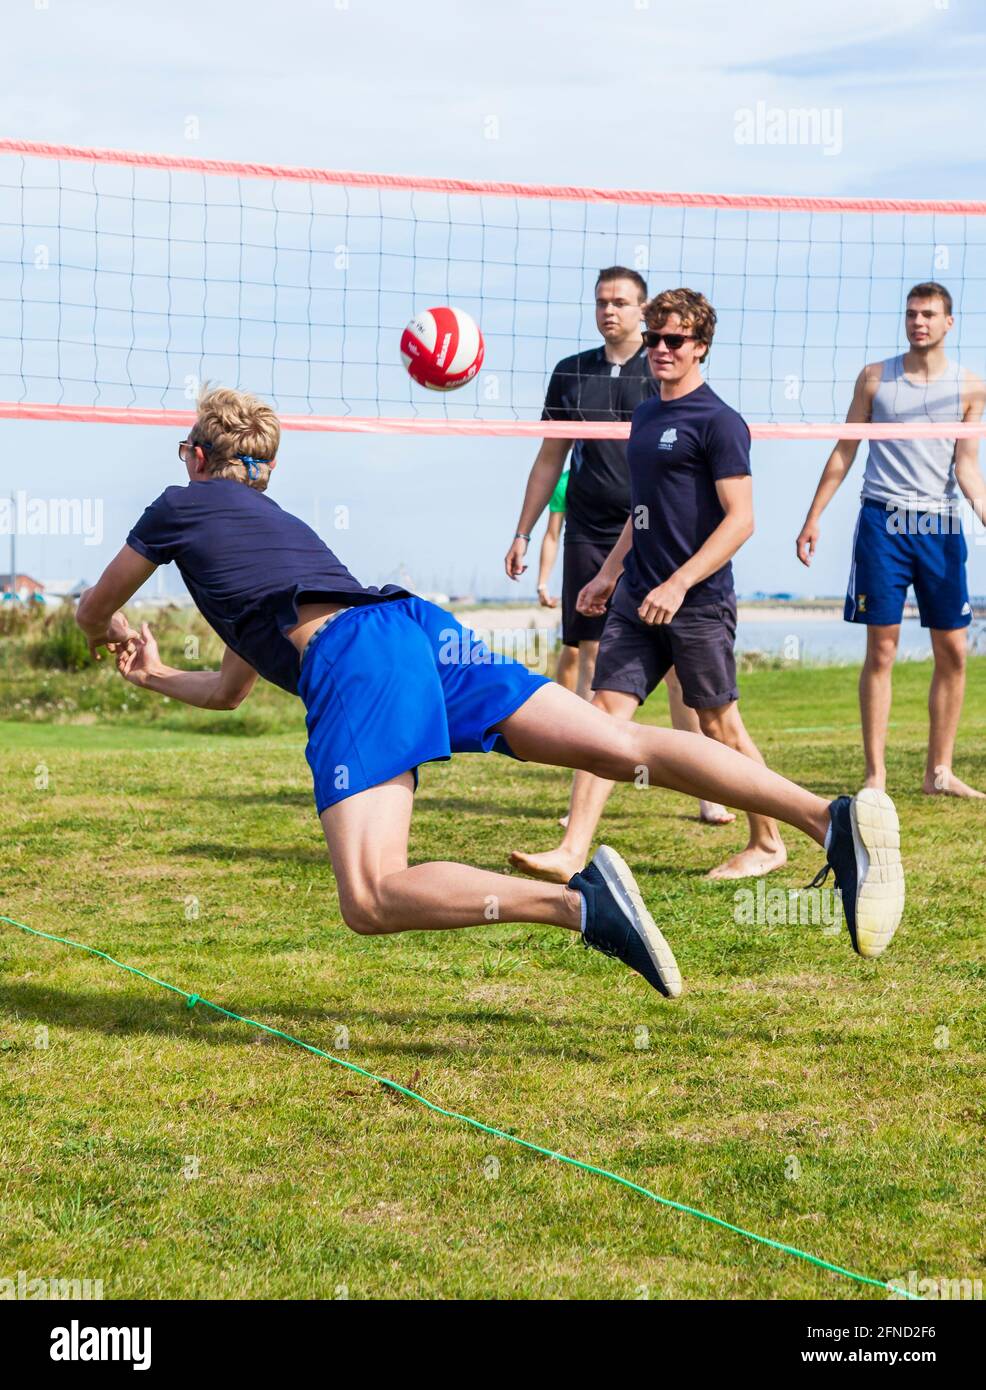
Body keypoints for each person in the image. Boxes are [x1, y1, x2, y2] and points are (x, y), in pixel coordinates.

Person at [75, 385, 905, 1005]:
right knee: (626, 745)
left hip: (357, 659)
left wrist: (108, 638)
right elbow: (228, 689)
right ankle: (827, 818)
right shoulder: (272, 529)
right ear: (265, 470)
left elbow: (91, 608)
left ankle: (580, 905)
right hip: (413, 627)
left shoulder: (179, 508)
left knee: (369, 897)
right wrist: (153, 676)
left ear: (193, 456)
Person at [511, 288, 788, 886]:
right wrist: (608, 574)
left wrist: (681, 583)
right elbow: (644, 512)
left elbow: (741, 520)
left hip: (697, 600)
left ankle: (767, 841)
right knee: (602, 721)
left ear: (700, 348)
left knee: (719, 725)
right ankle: (571, 850)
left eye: (675, 340)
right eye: (656, 338)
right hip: (638, 596)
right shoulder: (644, 416)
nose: (661, 349)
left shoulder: (719, 421)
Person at [506, 267, 732, 824]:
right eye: (602, 301)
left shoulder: (664, 378)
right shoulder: (572, 372)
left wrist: (679, 576)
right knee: (594, 664)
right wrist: (523, 530)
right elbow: (548, 460)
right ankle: (579, 815)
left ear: (642, 308)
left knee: (686, 679)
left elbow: (724, 499)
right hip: (592, 529)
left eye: (622, 302)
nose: (611, 311)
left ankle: (709, 789)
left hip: (662, 537)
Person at [796, 281, 986, 798]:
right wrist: (813, 517)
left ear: (949, 322)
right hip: (883, 521)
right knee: (881, 650)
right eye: (911, 314)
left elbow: (966, 467)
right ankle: (875, 776)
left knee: (954, 652)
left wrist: (983, 509)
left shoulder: (971, 387)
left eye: (928, 314)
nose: (918, 321)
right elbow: (844, 451)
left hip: (940, 525)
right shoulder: (876, 378)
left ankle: (939, 773)